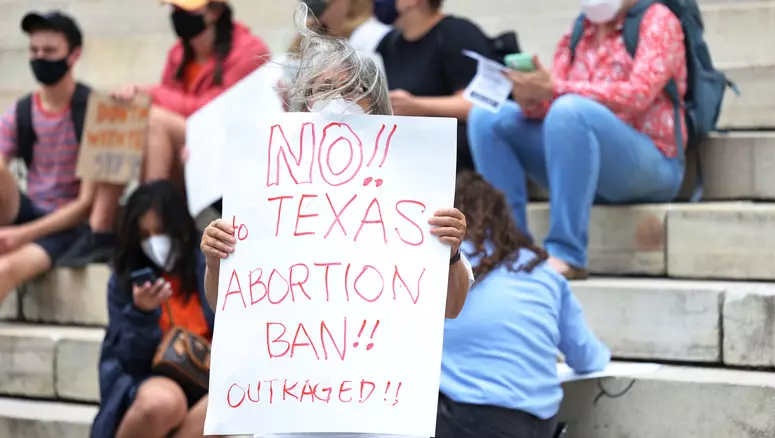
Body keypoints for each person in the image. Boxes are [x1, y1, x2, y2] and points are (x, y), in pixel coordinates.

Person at [200, 10, 473, 437]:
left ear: (375, 102)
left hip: (376, 413)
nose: (336, 100)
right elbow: (225, 305)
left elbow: (451, 306)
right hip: (287, 409)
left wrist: (451, 254)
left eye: (350, 89)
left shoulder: (414, 187)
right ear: (300, 102)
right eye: (322, 89)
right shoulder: (265, 188)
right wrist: (217, 258)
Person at [467, 0, 687, 279]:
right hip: (583, 158)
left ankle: (566, 252)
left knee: (570, 110)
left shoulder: (658, 19)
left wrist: (555, 89)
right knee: (487, 118)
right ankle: (508, 247)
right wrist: (531, 97)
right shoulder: (580, 29)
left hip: (651, 164)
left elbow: (638, 94)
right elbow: (552, 104)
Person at [64, 0, 272, 265]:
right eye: (174, 10)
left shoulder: (249, 51)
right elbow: (171, 105)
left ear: (215, 12)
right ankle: (100, 229)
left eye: (185, 10)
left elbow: (217, 113)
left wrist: (149, 92)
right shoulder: (178, 53)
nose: (177, 15)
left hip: (223, 151)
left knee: (152, 120)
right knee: (124, 111)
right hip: (187, 150)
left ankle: (155, 223)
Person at [436, 171, 610, 438]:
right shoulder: (541, 269)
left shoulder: (444, 265)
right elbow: (587, 357)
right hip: (541, 425)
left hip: (468, 420)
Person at [91, 180, 216, 438]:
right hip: (151, 378)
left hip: (209, 378)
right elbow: (129, 362)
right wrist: (142, 314)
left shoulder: (206, 265)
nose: (154, 242)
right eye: (144, 235)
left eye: (159, 231)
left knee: (222, 408)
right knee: (162, 404)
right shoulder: (127, 279)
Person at [0, 11, 95, 303]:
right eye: (34, 50)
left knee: (3, 269)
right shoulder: (21, 111)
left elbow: (86, 204)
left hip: (69, 227)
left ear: (74, 54)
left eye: (50, 51)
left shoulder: (94, 110)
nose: (40, 57)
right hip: (27, 210)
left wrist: (23, 235)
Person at [375, 0, 497, 172]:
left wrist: (417, 106)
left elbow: (480, 105)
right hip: (403, 143)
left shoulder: (458, 34)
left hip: (451, 154)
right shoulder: (388, 43)